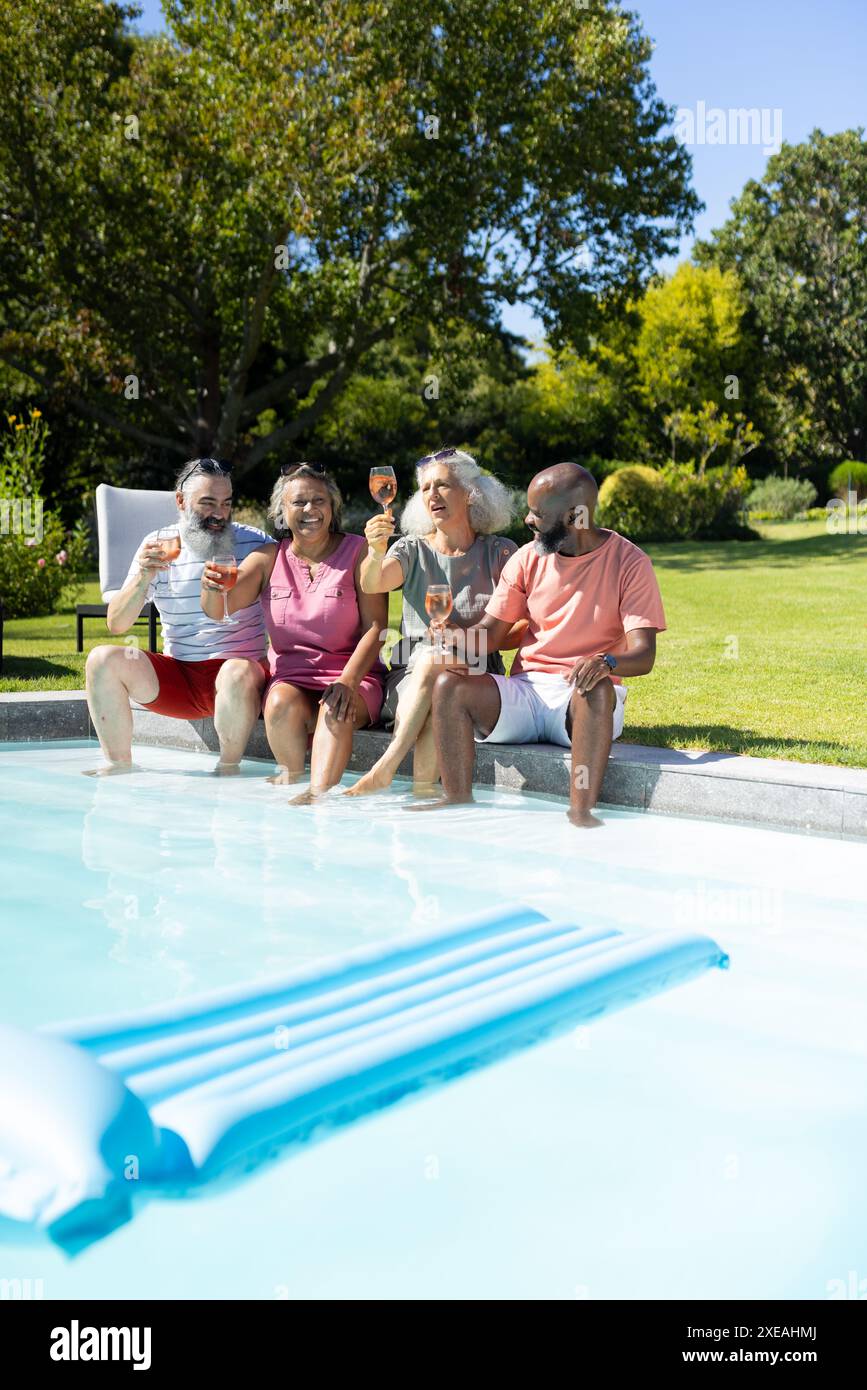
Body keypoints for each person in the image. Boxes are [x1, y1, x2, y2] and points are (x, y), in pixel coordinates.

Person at [409, 462, 666, 827]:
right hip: (526, 692)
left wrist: (606, 662)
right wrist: (453, 634)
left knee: (597, 689)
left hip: (582, 698)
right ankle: (456, 799)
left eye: (538, 514)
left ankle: (581, 813)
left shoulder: (630, 562)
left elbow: (643, 654)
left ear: (575, 516)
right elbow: (490, 635)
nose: (528, 520)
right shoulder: (527, 558)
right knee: (450, 685)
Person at [201, 462, 387, 802]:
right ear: (281, 512)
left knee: (335, 708)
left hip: (353, 676)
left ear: (332, 507)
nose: (309, 509)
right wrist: (211, 587)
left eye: (319, 501)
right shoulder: (268, 558)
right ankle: (292, 780)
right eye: (298, 502)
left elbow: (377, 627)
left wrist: (347, 681)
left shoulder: (359, 551)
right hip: (292, 677)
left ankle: (317, 796)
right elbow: (219, 608)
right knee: (277, 704)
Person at [346, 446, 521, 796]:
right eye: (425, 488)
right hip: (411, 674)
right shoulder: (411, 549)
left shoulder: (500, 553)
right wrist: (376, 550)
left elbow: (523, 626)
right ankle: (423, 796)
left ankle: (387, 768)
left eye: (442, 485)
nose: (432, 495)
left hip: (476, 671)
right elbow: (373, 582)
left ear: (471, 493)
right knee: (433, 678)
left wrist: (468, 639)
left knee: (438, 672)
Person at [84, 458, 273, 776]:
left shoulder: (257, 543)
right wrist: (143, 576)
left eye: (226, 503)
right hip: (180, 676)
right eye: (208, 503)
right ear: (181, 501)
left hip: (242, 675)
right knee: (101, 660)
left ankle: (227, 769)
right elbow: (117, 624)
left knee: (235, 673)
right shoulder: (158, 545)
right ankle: (118, 767)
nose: (219, 514)